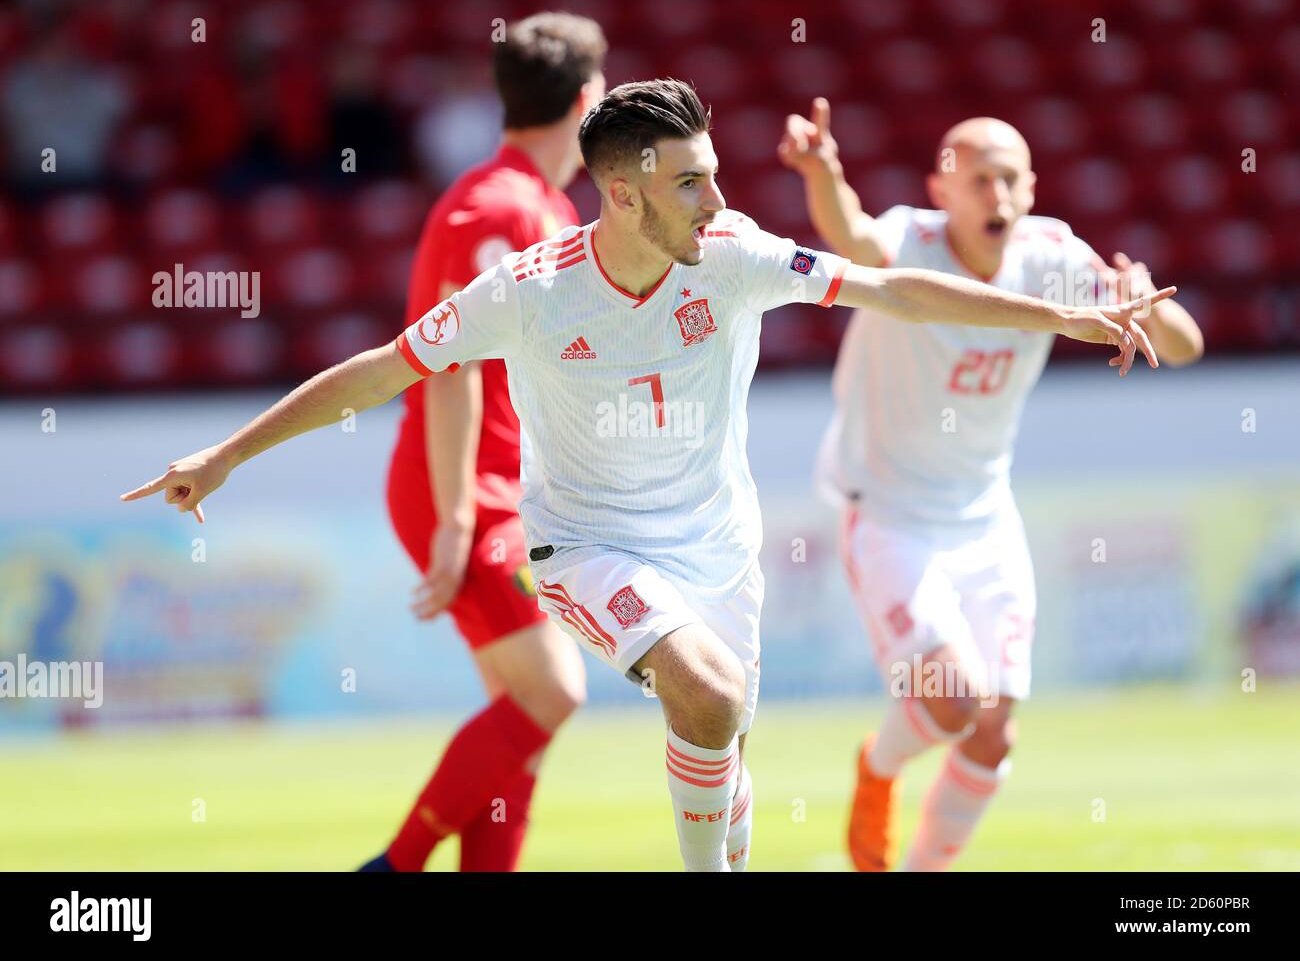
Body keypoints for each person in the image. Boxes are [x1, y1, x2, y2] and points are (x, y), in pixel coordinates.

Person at [121, 79, 1173, 872]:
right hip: (585, 544)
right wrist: (223, 455)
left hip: (718, 550)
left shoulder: (737, 253)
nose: (718, 194)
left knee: (727, 762)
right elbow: (381, 371)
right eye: (691, 180)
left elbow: (899, 288)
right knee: (707, 699)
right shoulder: (527, 290)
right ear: (621, 196)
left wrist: (1065, 315)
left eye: (712, 171)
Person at [778, 100, 1204, 871]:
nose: (997, 197)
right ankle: (877, 767)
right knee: (951, 701)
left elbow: (1183, 346)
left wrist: (1143, 302)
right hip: (889, 514)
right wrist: (823, 171)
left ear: (1033, 188)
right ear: (943, 189)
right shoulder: (912, 238)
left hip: (982, 517)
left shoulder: (1054, 258)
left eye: (1010, 180)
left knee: (993, 729)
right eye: (979, 180)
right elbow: (852, 235)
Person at [370, 12, 606, 872]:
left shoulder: (541, 205)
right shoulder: (495, 207)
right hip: (464, 485)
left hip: (499, 484)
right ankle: (392, 865)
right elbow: (449, 361)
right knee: (554, 690)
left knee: (520, 733)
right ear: (587, 100)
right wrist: (457, 514)